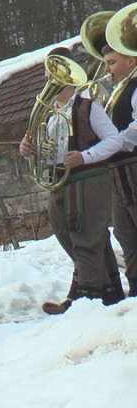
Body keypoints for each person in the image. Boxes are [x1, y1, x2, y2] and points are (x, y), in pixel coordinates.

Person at [19, 47, 123, 313]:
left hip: (88, 178)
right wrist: (26, 148)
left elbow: (115, 141)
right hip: (59, 182)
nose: (47, 83)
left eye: (52, 77)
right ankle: (110, 295)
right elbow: (42, 146)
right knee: (69, 235)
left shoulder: (88, 107)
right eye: (46, 77)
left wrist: (85, 156)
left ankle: (83, 302)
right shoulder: (46, 113)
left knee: (86, 238)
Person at [102, 43, 137, 296]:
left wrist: (112, 144)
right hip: (116, 171)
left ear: (131, 61)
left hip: (133, 166)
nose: (106, 69)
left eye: (112, 63)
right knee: (125, 234)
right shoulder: (114, 93)